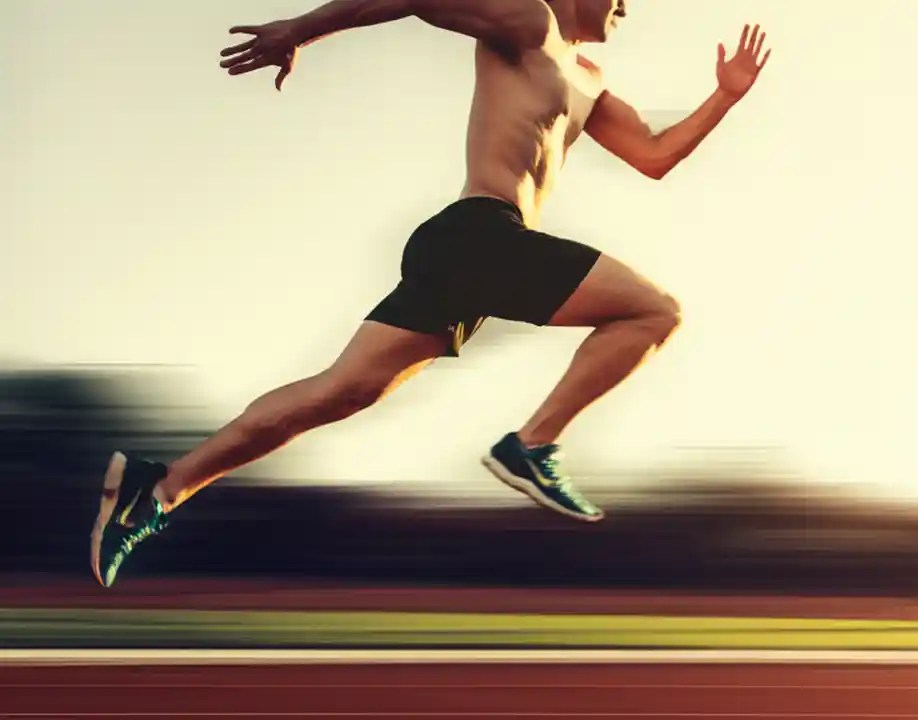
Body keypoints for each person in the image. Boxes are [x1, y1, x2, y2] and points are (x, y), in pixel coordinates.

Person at [90, 0, 771, 588]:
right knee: (653, 311)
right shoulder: (528, 22)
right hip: (480, 234)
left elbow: (653, 155)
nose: (627, 5)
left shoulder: (588, 79)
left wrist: (725, 97)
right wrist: (301, 30)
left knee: (340, 392)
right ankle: (533, 445)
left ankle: (161, 487)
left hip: (469, 256)